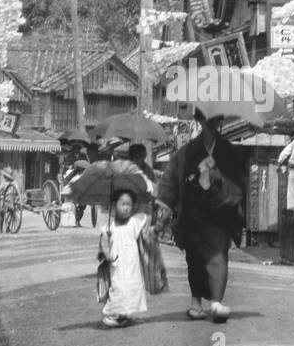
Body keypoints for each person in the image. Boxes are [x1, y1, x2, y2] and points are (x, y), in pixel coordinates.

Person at [154, 110, 247, 323]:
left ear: (221, 121)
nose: (211, 123)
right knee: (194, 258)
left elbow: (239, 181)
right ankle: (196, 301)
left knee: (218, 256)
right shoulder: (186, 153)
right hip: (193, 212)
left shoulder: (229, 152)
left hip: (220, 212)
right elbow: (170, 181)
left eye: (216, 119)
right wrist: (163, 209)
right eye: (207, 119)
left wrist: (219, 177)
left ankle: (216, 301)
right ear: (199, 120)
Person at [98, 188, 152, 328]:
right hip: (117, 264)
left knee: (133, 287)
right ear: (115, 204)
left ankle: (126, 315)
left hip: (132, 263)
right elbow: (103, 242)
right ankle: (111, 314)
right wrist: (107, 253)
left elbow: (147, 217)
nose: (126, 207)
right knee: (119, 288)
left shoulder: (134, 221)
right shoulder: (109, 226)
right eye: (123, 204)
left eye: (129, 204)